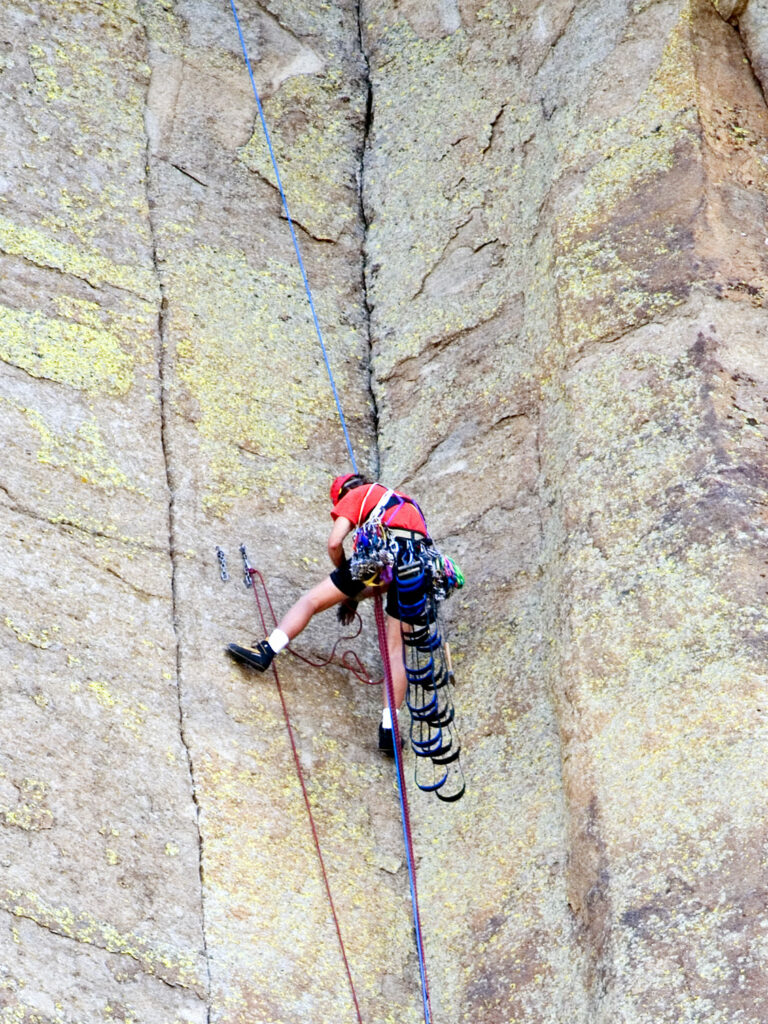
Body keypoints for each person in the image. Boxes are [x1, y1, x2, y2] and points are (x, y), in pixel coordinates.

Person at [227, 472, 431, 754]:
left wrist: (344, 578)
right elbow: (389, 581)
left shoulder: (358, 495)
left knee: (310, 601)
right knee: (398, 652)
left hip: (378, 555)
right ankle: (389, 729)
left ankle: (266, 650)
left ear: (343, 494)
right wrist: (356, 595)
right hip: (418, 565)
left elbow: (335, 543)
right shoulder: (407, 507)